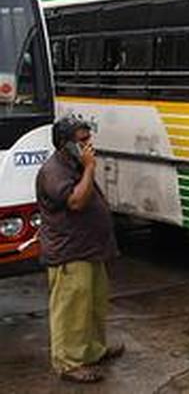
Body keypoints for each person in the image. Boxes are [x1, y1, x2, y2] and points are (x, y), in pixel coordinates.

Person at [36, 116, 123, 383]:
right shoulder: (54, 171)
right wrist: (89, 169)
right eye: (82, 141)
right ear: (65, 145)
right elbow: (76, 202)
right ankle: (70, 362)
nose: (89, 145)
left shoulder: (74, 163)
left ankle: (93, 349)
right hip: (70, 252)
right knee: (72, 307)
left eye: (89, 139)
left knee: (94, 303)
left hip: (90, 248)